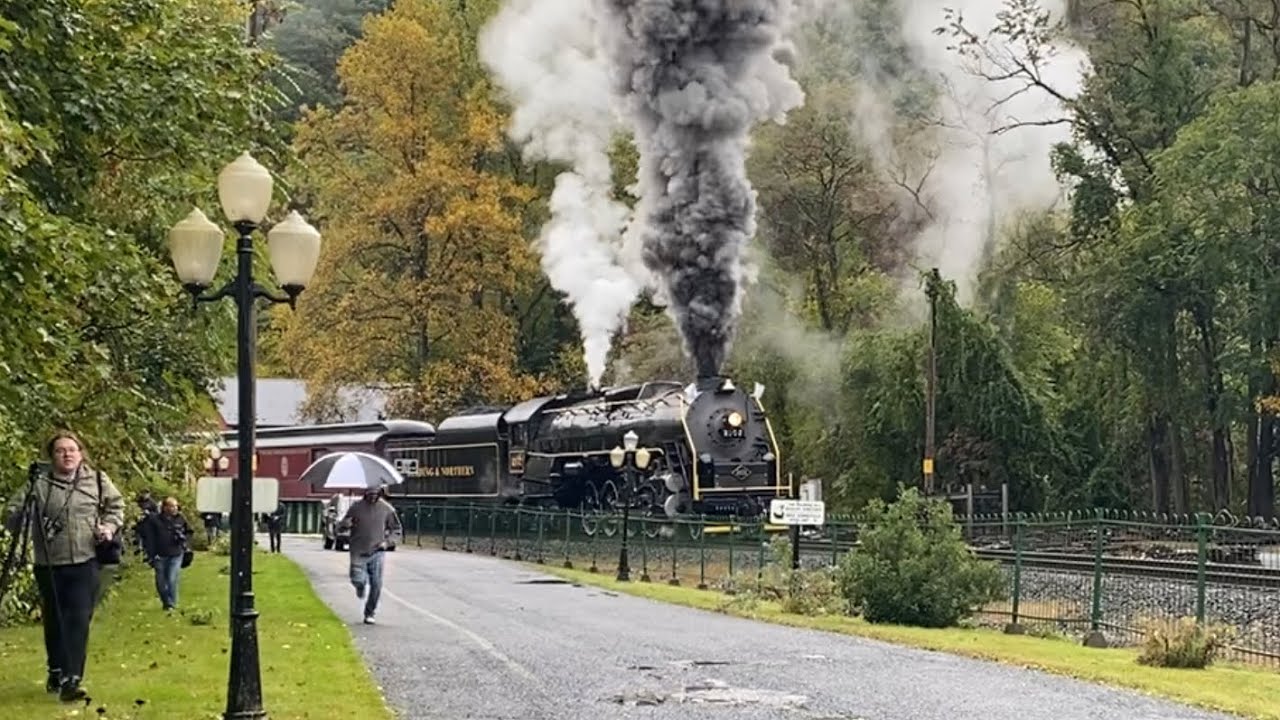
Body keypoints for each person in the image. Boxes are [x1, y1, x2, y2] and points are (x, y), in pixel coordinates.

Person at [3, 431, 124, 702]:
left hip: (86, 560)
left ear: (81, 453)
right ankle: (56, 669)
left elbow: (116, 506)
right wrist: (26, 513)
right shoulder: (39, 485)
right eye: (60, 450)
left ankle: (73, 678)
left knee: (79, 618)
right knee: (56, 620)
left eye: (72, 449)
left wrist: (108, 527)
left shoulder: (97, 481)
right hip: (49, 563)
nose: (67, 454)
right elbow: (12, 514)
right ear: (52, 456)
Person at [336, 488, 402, 624]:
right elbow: (340, 527)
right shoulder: (355, 508)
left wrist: (388, 542)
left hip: (377, 551)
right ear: (365, 494)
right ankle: (360, 587)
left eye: (376, 495)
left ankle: (370, 612)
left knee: (376, 584)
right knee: (357, 579)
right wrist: (345, 524)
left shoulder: (387, 509)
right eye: (370, 495)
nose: (373, 498)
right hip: (358, 550)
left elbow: (397, 529)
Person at [139, 496, 193, 611]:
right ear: (164, 507)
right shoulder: (154, 520)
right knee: (161, 581)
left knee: (172, 578)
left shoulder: (180, 519)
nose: (174, 509)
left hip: (176, 553)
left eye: (176, 506)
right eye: (171, 506)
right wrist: (151, 554)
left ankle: (171, 604)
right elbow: (149, 537)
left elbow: (189, 532)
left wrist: (184, 540)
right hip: (159, 554)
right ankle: (166, 601)